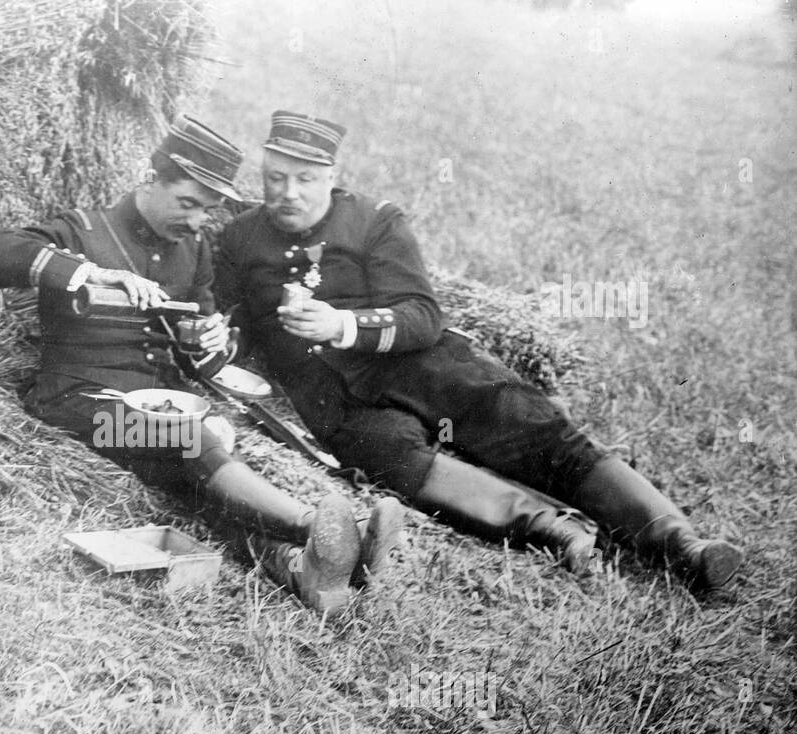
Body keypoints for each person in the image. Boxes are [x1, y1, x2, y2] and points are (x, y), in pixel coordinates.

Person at [214, 110, 743, 590]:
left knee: (528, 424)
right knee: (395, 462)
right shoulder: (239, 238)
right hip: (332, 397)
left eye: (305, 180)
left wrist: (342, 324)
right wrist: (224, 335)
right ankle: (556, 530)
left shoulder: (375, 221)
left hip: (417, 363)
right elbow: (226, 316)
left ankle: (681, 545)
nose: (288, 194)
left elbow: (422, 316)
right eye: (275, 178)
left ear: (331, 175)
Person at [0, 115, 403, 616]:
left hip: (158, 405)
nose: (198, 222)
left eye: (208, 210)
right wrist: (87, 272)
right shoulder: (82, 230)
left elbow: (197, 331)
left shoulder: (191, 249)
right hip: (79, 402)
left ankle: (302, 567)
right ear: (151, 180)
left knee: (194, 477)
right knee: (188, 441)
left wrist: (214, 337)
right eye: (188, 203)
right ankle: (319, 526)